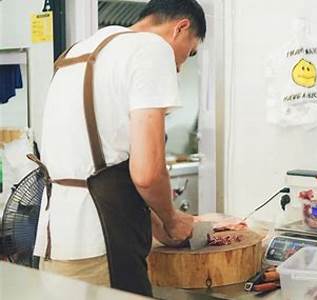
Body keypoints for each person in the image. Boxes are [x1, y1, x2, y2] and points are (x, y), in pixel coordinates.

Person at [33, 0, 206, 296]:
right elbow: (147, 174)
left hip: (55, 243)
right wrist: (172, 220)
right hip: (103, 246)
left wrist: (154, 222)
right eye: (189, 53)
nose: (180, 66)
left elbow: (96, 167)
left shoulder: (79, 51)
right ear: (181, 27)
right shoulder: (152, 49)